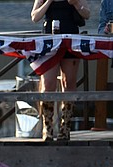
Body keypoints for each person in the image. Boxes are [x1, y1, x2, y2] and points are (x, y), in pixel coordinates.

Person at [32, 0, 90, 140]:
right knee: (48, 83)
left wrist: (76, 4)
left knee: (68, 82)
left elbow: (87, 14)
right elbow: (35, 17)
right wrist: (48, 2)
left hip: (70, 40)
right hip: (50, 41)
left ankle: (65, 127)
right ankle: (48, 127)